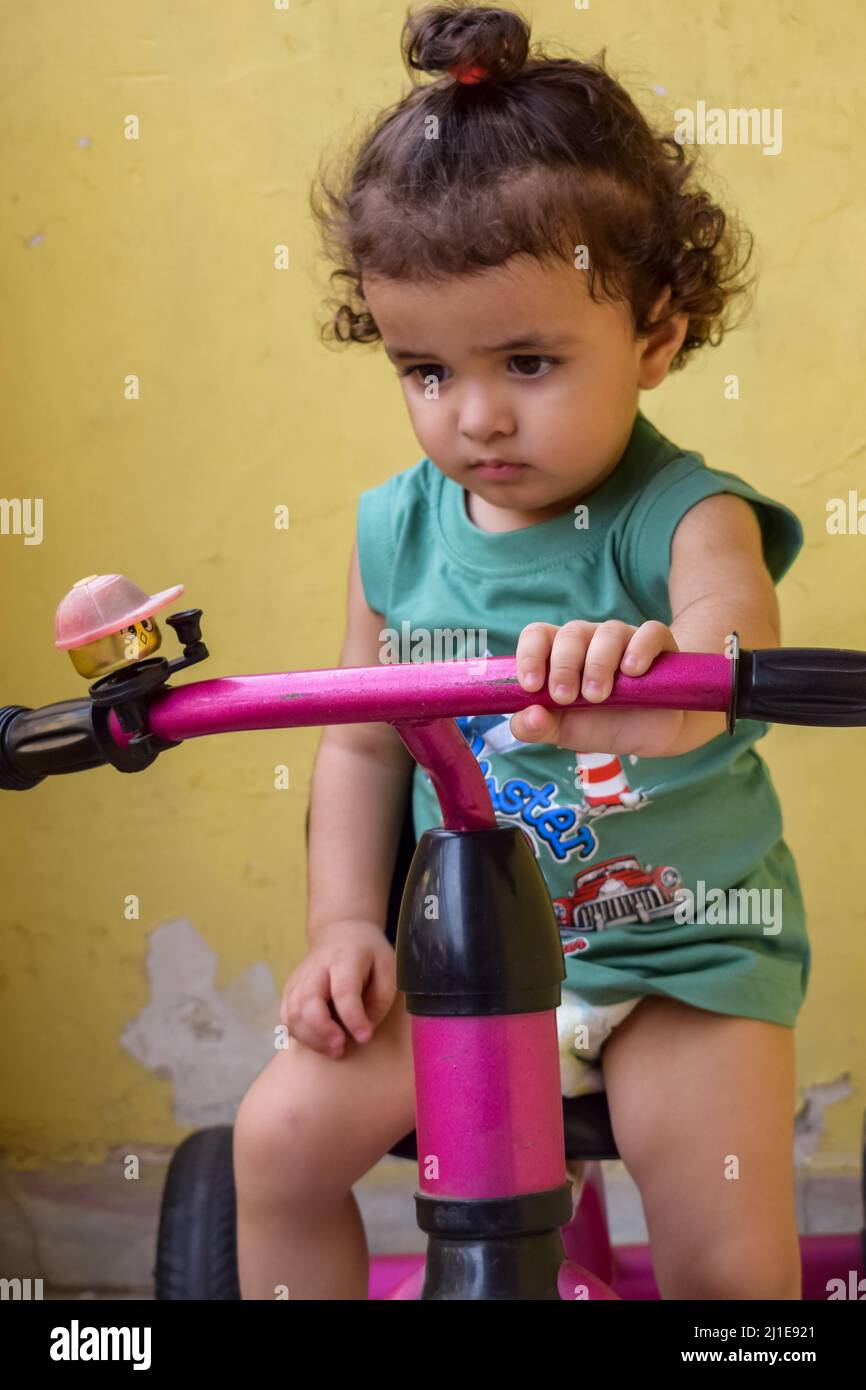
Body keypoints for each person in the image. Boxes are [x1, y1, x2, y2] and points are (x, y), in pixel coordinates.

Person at [233, 1, 807, 1300]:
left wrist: (647, 691)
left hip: (676, 954)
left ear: (654, 334)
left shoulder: (687, 517)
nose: (474, 414)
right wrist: (338, 925)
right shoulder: (393, 531)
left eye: (529, 359)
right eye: (423, 369)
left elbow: (727, 659)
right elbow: (359, 738)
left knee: (721, 1241)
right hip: (465, 958)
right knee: (272, 1141)